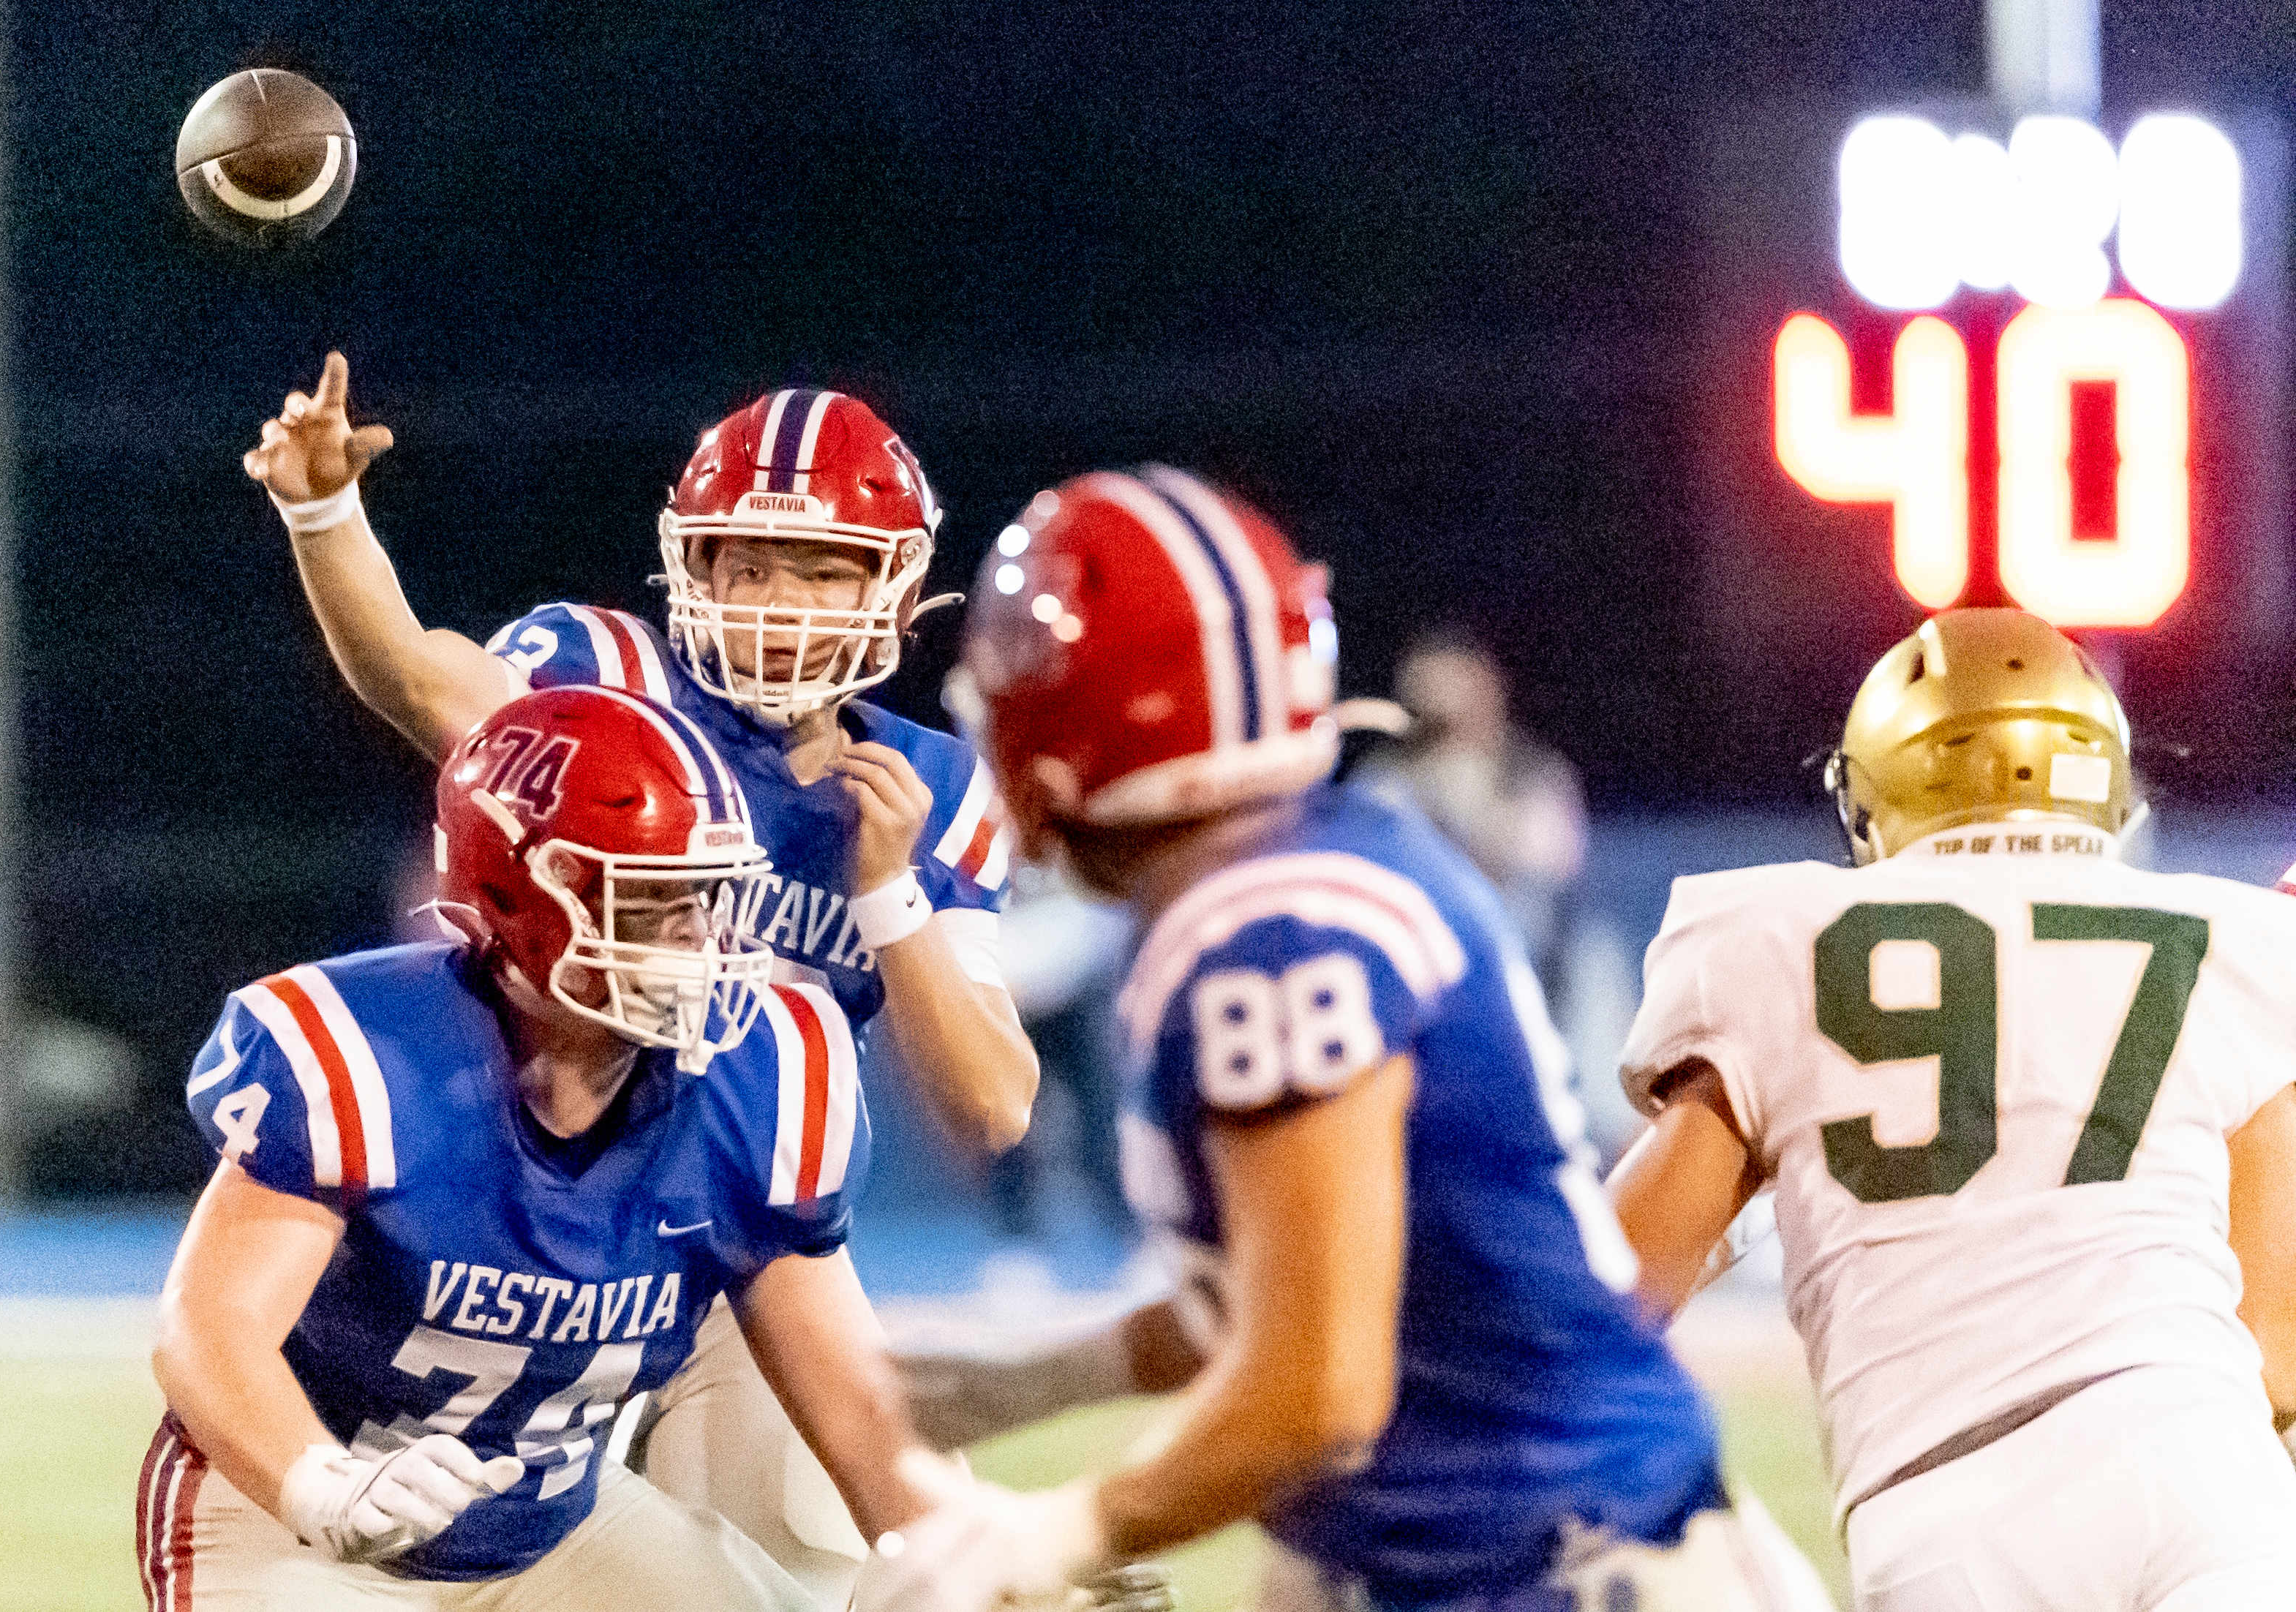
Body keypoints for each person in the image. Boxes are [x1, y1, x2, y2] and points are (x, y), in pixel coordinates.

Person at [865, 466, 1828, 1612]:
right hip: (1501, 1548)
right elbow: (1303, 1285)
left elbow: (1314, 1388)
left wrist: (1058, 1531)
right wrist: (1017, 1385)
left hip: (1550, 1564)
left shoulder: (1269, 936)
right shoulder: (1321, 857)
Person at [239, 356, 1035, 1602]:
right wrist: (324, 514)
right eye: (748, 563)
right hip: (521, 1196)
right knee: (441, 1538)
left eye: (823, 568)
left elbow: (994, 1101)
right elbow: (417, 674)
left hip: (732, 1242)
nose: (782, 601)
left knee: (829, 1566)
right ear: (693, 569)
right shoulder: (606, 678)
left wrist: (892, 892)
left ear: (896, 589)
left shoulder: (933, 794)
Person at [143, 685, 946, 1610]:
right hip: (296, 1517)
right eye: (651, 901)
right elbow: (208, 1327)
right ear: (510, 895)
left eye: (703, 895)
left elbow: (853, 1404)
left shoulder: (752, 1072)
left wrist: (977, 1557)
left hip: (556, 1521)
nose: (698, 937)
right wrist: (318, 1483)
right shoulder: (370, 1058)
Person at [1606, 608, 2296, 1610]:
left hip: (1949, 1518)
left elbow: (1608, 1292)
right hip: (2198, 1473)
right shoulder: (2229, 940)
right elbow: (2271, 1352)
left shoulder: (1775, 938)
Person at [1353, 633, 1587, 981]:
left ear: (1488, 692)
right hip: (1421, 956)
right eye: (1432, 713)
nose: (1447, 720)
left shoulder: (1535, 771)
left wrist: (1468, 813)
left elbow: (1552, 869)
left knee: (1595, 956)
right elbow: (1368, 872)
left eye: (1458, 700)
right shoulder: (1384, 780)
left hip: (1530, 960)